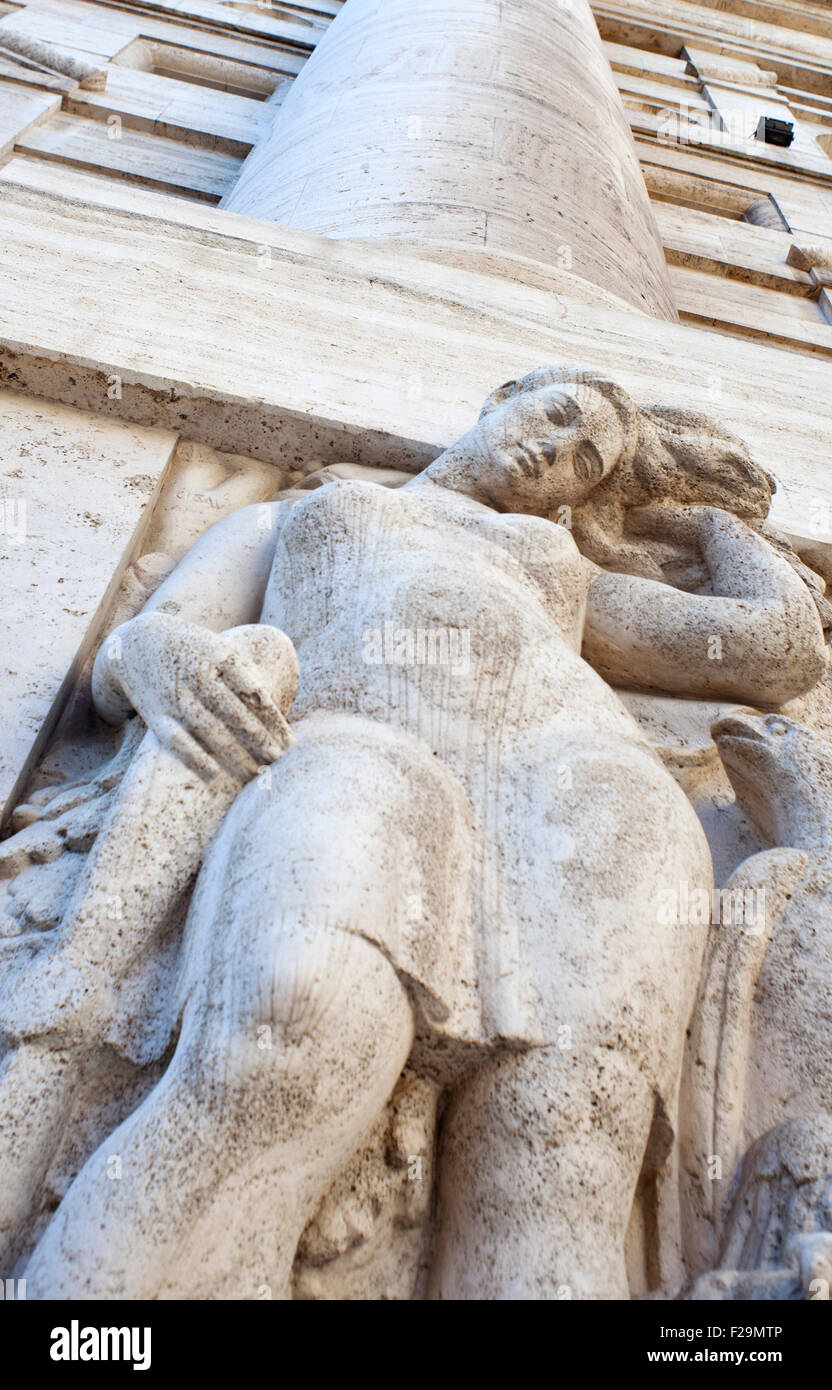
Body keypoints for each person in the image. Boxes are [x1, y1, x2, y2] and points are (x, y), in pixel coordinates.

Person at [25, 366, 826, 1299]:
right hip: (360, 746)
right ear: (500, 398)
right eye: (555, 414)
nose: (557, 448)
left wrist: (703, 519)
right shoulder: (312, 510)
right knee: (285, 1042)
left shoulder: (558, 568)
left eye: (587, 460)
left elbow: (778, 648)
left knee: (563, 1148)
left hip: (591, 802)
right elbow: (149, 642)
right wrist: (157, 658)